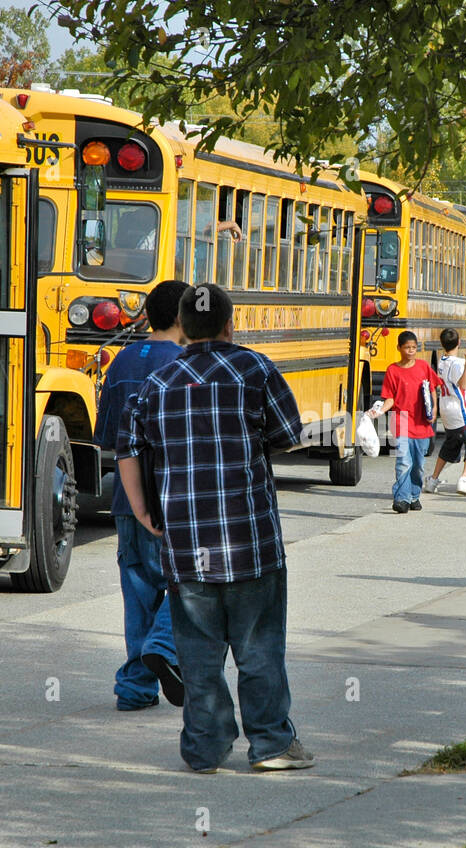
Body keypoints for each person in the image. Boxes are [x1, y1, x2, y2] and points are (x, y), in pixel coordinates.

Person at [117, 282, 313, 773]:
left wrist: (142, 512)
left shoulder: (158, 382)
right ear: (231, 325)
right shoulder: (255, 368)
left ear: (183, 328)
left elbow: (127, 450)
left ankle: (205, 747)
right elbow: (290, 436)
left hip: (186, 547)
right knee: (259, 649)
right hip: (253, 543)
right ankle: (270, 745)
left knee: (199, 656)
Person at [94, 279, 189, 711]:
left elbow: (107, 437)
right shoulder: (186, 363)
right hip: (174, 498)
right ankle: (163, 648)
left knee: (138, 591)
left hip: (127, 501)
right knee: (189, 583)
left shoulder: (120, 361)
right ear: (184, 317)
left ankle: (135, 688)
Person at [367, 331, 443, 513]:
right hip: (401, 422)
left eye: (414, 348)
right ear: (399, 348)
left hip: (422, 424)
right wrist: (379, 411)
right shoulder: (392, 370)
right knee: (403, 462)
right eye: (407, 347)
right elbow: (390, 398)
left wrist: (434, 409)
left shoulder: (424, 366)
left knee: (418, 465)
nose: (411, 351)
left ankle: (414, 495)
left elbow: (432, 390)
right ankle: (401, 499)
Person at [424, 329, 466, 496]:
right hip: (461, 410)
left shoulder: (443, 360)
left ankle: (433, 479)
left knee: (451, 444)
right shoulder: (458, 363)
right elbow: (464, 385)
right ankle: (465, 479)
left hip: (447, 410)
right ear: (459, 342)